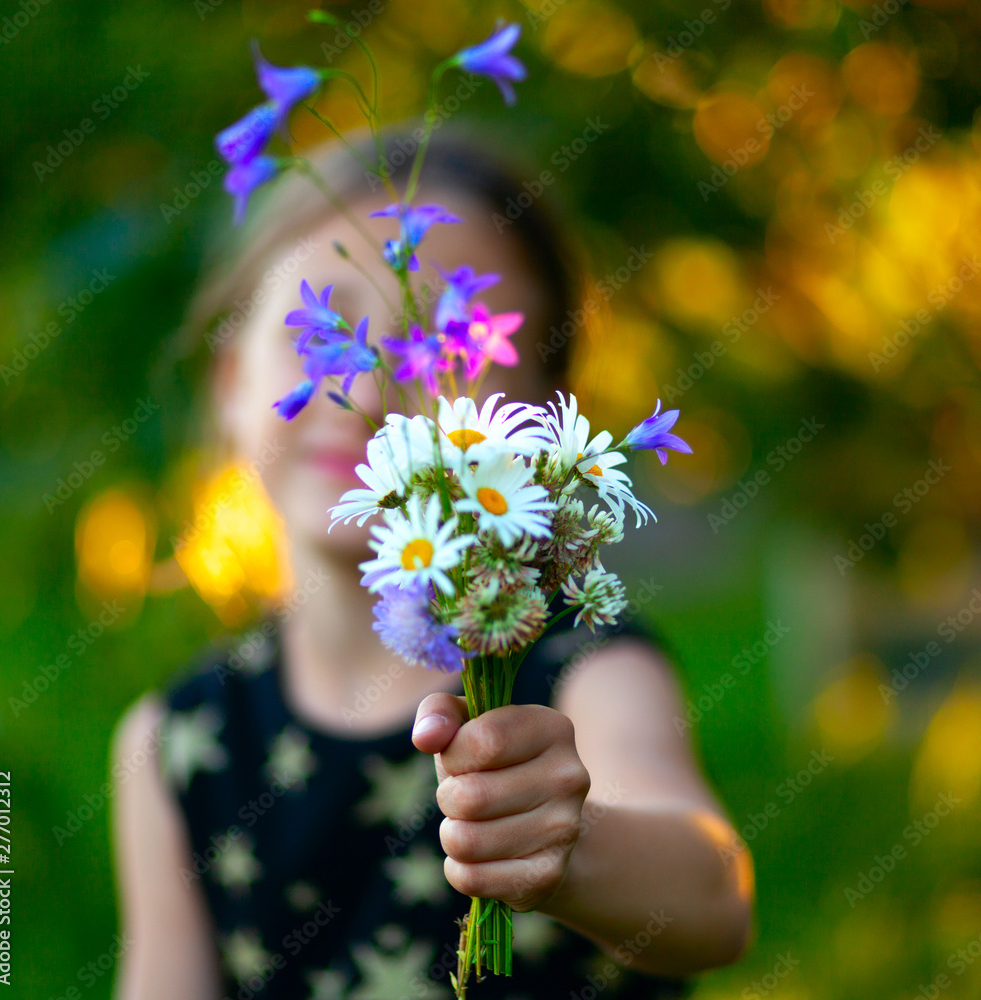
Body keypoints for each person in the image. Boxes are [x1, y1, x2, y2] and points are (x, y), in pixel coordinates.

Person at [110, 128, 754, 1000]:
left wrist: (575, 847)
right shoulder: (173, 746)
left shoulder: (583, 667)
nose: (370, 391)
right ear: (228, 381)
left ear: (537, 416)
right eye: (324, 328)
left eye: (446, 350)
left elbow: (714, 899)